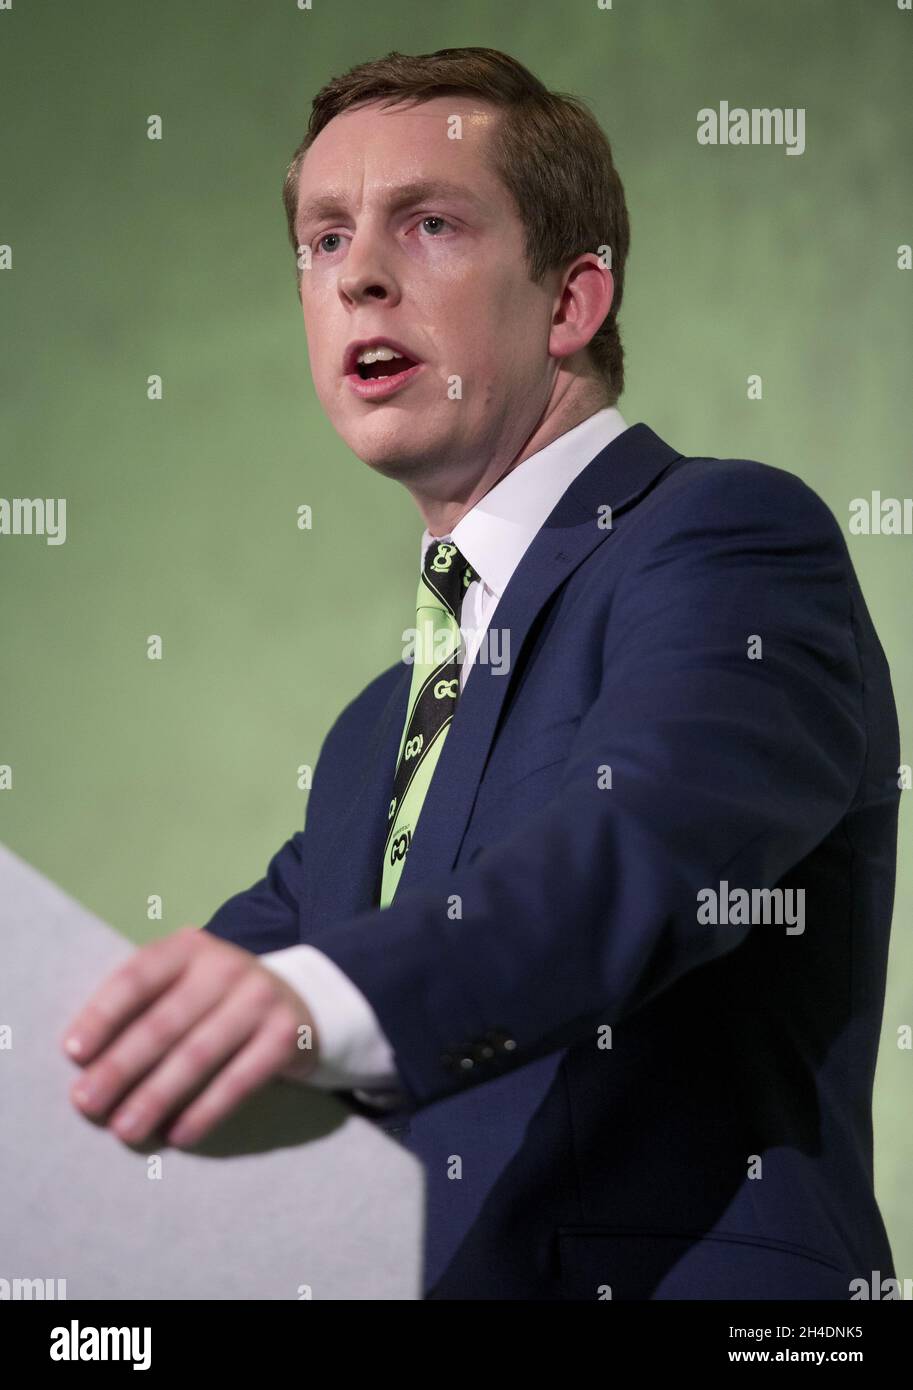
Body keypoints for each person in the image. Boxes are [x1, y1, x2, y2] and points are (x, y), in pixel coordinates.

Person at [62, 47, 899, 1300]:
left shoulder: (726, 540)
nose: (357, 274)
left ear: (571, 301)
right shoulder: (372, 736)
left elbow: (640, 848)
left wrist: (313, 1001)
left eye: (428, 223)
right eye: (323, 238)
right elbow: (198, 1010)